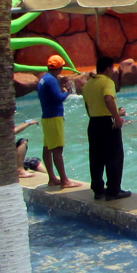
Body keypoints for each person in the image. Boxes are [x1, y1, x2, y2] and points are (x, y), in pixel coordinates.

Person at [83, 56, 129, 200]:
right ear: (108, 68)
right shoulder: (107, 82)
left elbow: (87, 105)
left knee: (96, 157)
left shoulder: (88, 84)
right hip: (108, 123)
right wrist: (117, 118)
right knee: (113, 156)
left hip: (93, 123)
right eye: (113, 68)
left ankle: (98, 190)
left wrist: (92, 115)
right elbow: (108, 98)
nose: (114, 71)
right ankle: (113, 190)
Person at [36, 55, 82, 189]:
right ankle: (64, 180)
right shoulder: (51, 80)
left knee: (47, 147)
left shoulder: (43, 79)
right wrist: (66, 92)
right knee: (57, 149)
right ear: (60, 68)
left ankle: (52, 178)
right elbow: (58, 98)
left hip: (46, 117)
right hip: (54, 117)